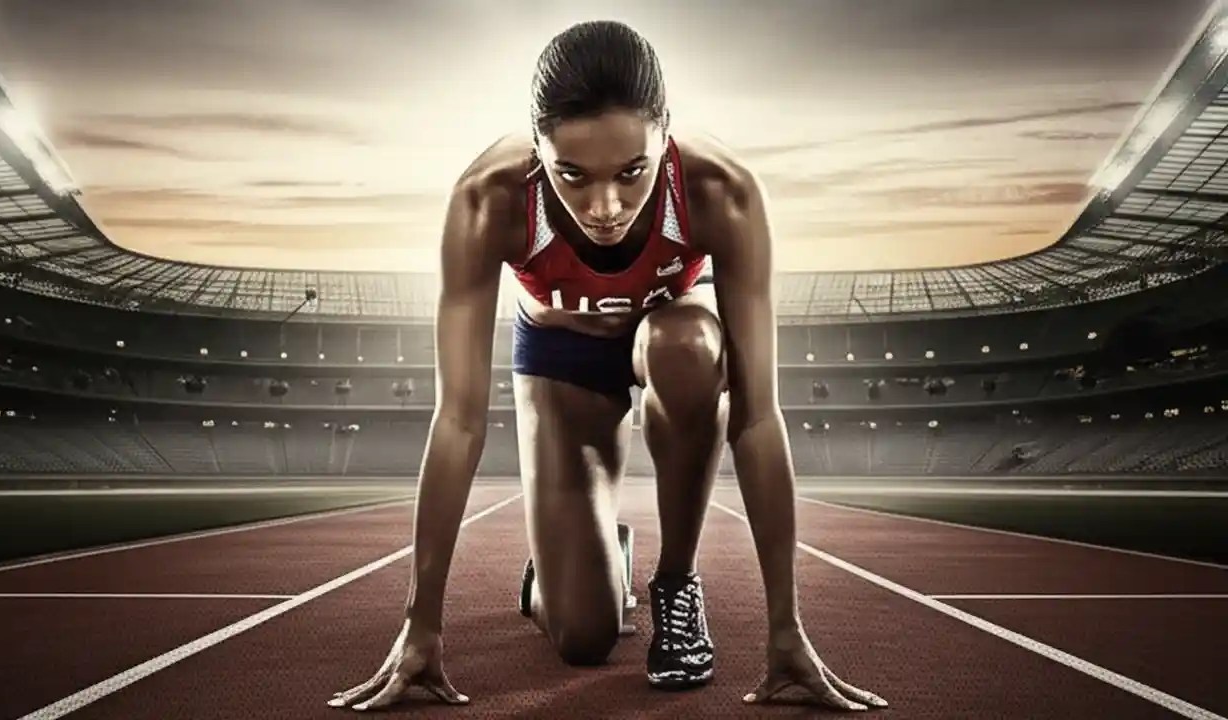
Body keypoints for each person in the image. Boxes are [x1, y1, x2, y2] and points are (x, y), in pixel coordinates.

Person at [329, 19, 887, 713]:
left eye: (632, 172)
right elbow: (459, 422)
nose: (606, 208)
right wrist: (421, 623)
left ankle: (677, 582)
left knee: (684, 347)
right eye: (572, 175)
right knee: (584, 636)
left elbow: (756, 417)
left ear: (666, 137)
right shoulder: (489, 199)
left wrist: (786, 630)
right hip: (563, 361)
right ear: (537, 149)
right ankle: (570, 565)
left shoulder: (722, 191)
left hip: (672, 338)